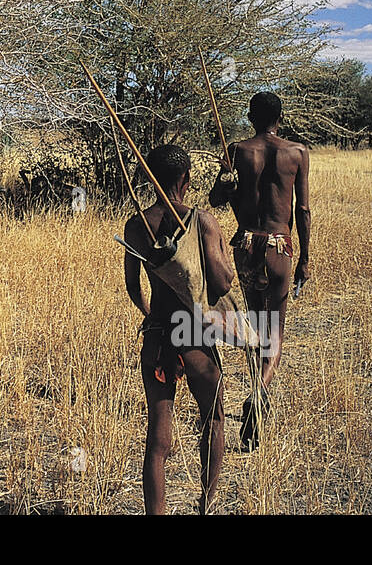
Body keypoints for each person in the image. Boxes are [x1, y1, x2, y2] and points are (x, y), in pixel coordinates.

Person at [124, 144, 236, 515]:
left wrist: (152, 315)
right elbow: (222, 283)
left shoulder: (137, 225)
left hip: (159, 335)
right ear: (186, 178)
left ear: (150, 179)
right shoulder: (202, 221)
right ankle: (205, 505)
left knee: (158, 439)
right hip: (195, 334)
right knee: (213, 419)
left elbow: (132, 285)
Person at [208, 90, 310, 450]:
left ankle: (257, 389)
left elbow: (215, 200)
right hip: (280, 246)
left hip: (247, 244)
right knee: (275, 334)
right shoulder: (297, 152)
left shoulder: (237, 151)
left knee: (255, 327)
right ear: (281, 118)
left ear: (251, 118)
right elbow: (302, 211)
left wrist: (228, 182)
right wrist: (305, 259)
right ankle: (259, 392)